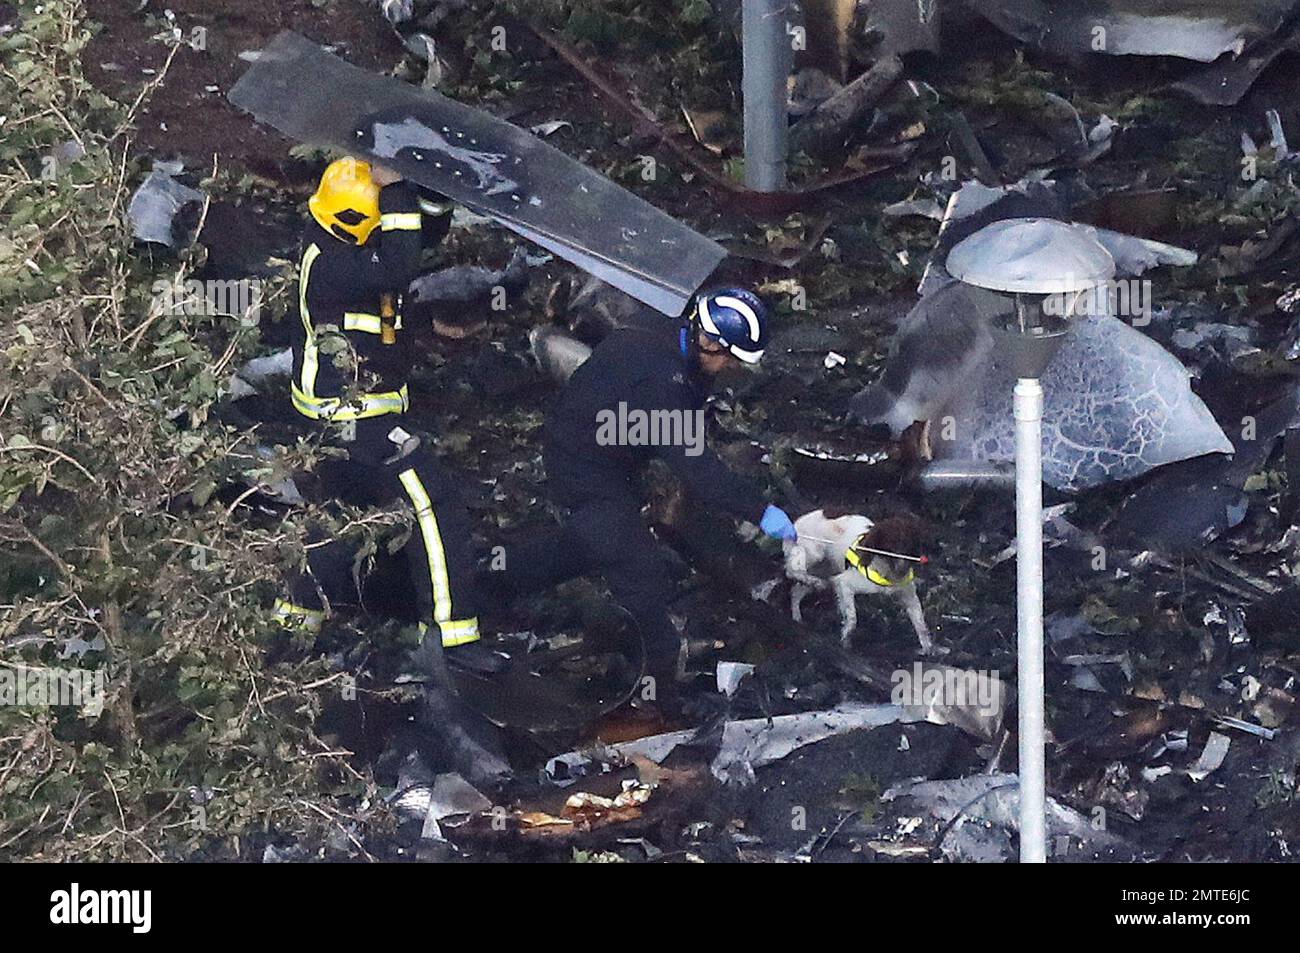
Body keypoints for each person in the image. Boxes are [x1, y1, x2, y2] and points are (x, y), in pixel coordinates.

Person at [481, 288, 798, 681]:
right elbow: (699, 471)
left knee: (594, 541)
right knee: (639, 571)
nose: (732, 367)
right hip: (584, 465)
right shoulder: (662, 384)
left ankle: (490, 586)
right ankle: (657, 682)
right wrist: (760, 510)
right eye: (731, 357)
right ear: (710, 341)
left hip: (599, 448)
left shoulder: (667, 333)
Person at [272, 157, 502, 676]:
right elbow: (400, 264)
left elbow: (416, 239)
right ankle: (451, 637)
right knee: (430, 498)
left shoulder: (340, 238)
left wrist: (432, 191)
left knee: (338, 522)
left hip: (340, 416)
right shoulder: (333, 265)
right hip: (350, 415)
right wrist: (397, 191)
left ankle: (286, 640)